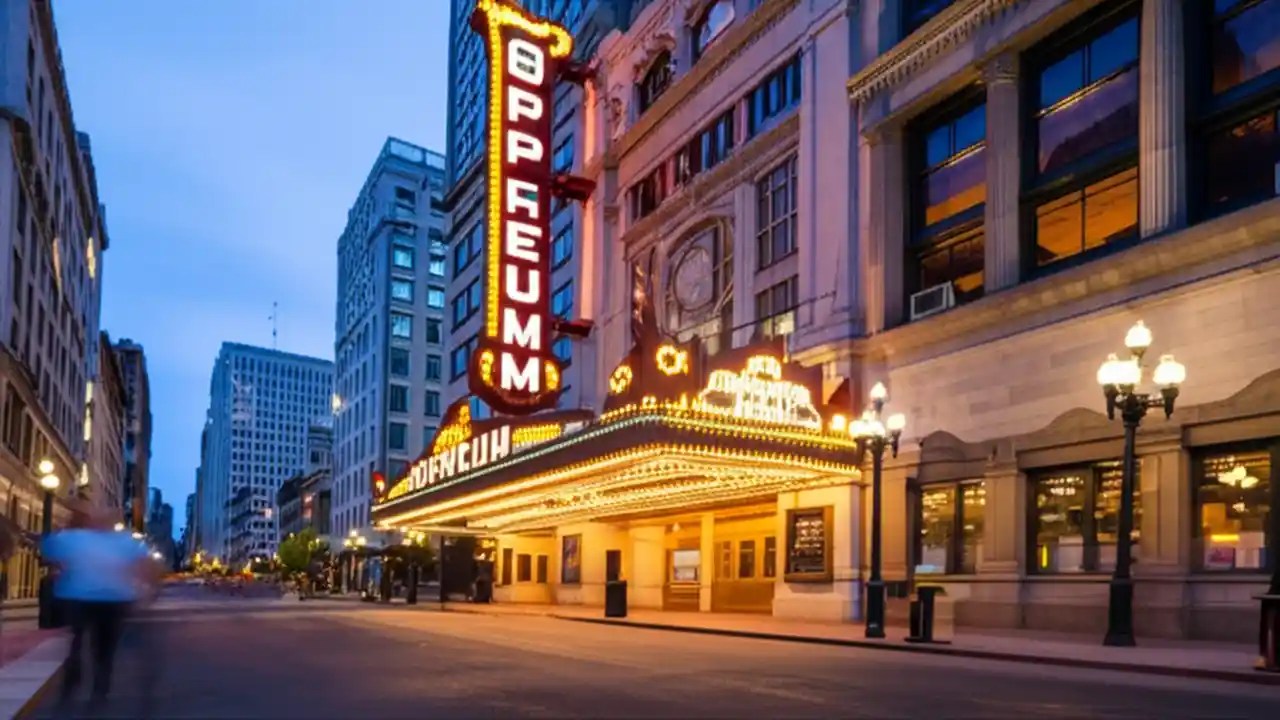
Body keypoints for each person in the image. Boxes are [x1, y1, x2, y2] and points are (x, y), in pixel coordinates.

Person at [41, 502, 159, 708]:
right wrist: (147, 590)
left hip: (82, 598)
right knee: (103, 648)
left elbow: (48, 550)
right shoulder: (124, 542)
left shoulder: (75, 538)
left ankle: (76, 683)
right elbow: (146, 565)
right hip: (112, 600)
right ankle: (98, 688)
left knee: (79, 642)